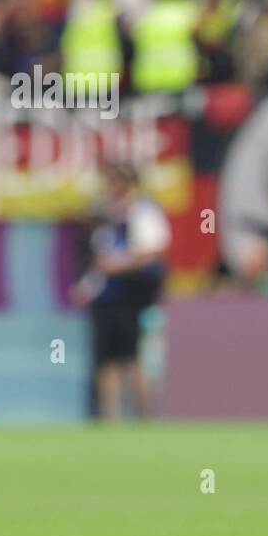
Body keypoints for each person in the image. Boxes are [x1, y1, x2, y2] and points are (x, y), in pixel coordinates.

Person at [72, 163, 171, 419]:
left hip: (134, 294)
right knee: (106, 359)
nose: (114, 187)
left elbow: (153, 251)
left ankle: (142, 417)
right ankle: (110, 418)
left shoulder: (143, 212)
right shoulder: (103, 214)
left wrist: (121, 265)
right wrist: (88, 284)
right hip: (106, 296)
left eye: (119, 181)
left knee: (135, 356)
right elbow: (94, 257)